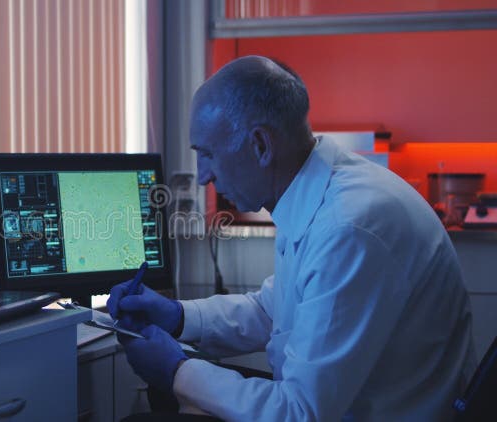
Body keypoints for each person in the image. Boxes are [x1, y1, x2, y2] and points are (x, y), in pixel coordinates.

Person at [108, 55, 477, 421]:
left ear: (261, 146)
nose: (203, 176)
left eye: (207, 154)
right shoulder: (318, 193)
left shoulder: (348, 229)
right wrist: (177, 316)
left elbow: (300, 413)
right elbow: (274, 311)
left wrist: (176, 371)